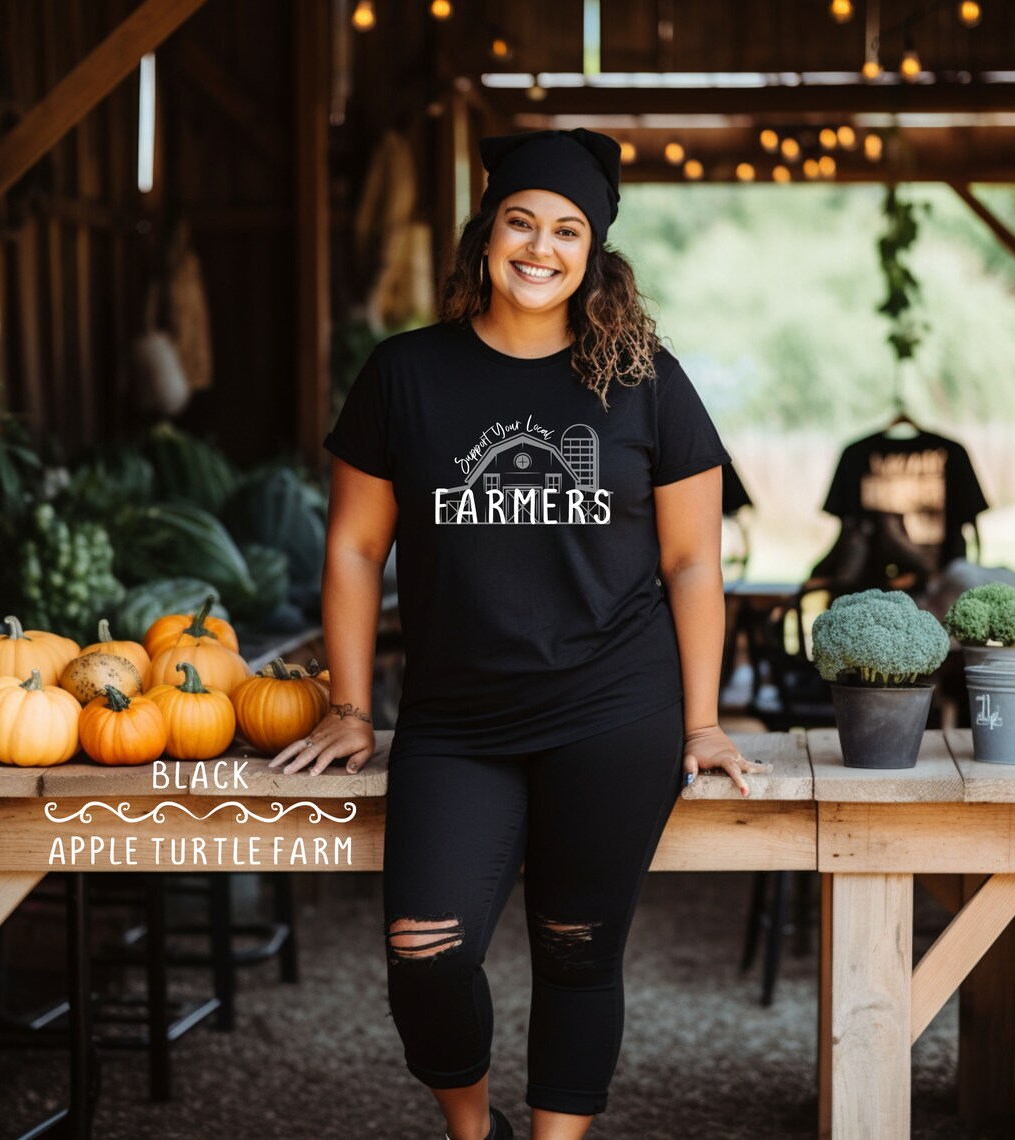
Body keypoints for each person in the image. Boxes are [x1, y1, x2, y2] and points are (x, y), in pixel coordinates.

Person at [269, 128, 766, 1140]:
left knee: (578, 950)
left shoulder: (648, 382)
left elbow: (691, 564)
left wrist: (706, 721)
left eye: (567, 229)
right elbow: (357, 552)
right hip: (459, 719)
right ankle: (472, 1131)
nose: (541, 246)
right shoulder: (405, 374)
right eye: (522, 221)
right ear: (487, 235)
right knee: (425, 951)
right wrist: (352, 706)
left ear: (596, 254)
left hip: (614, 711)